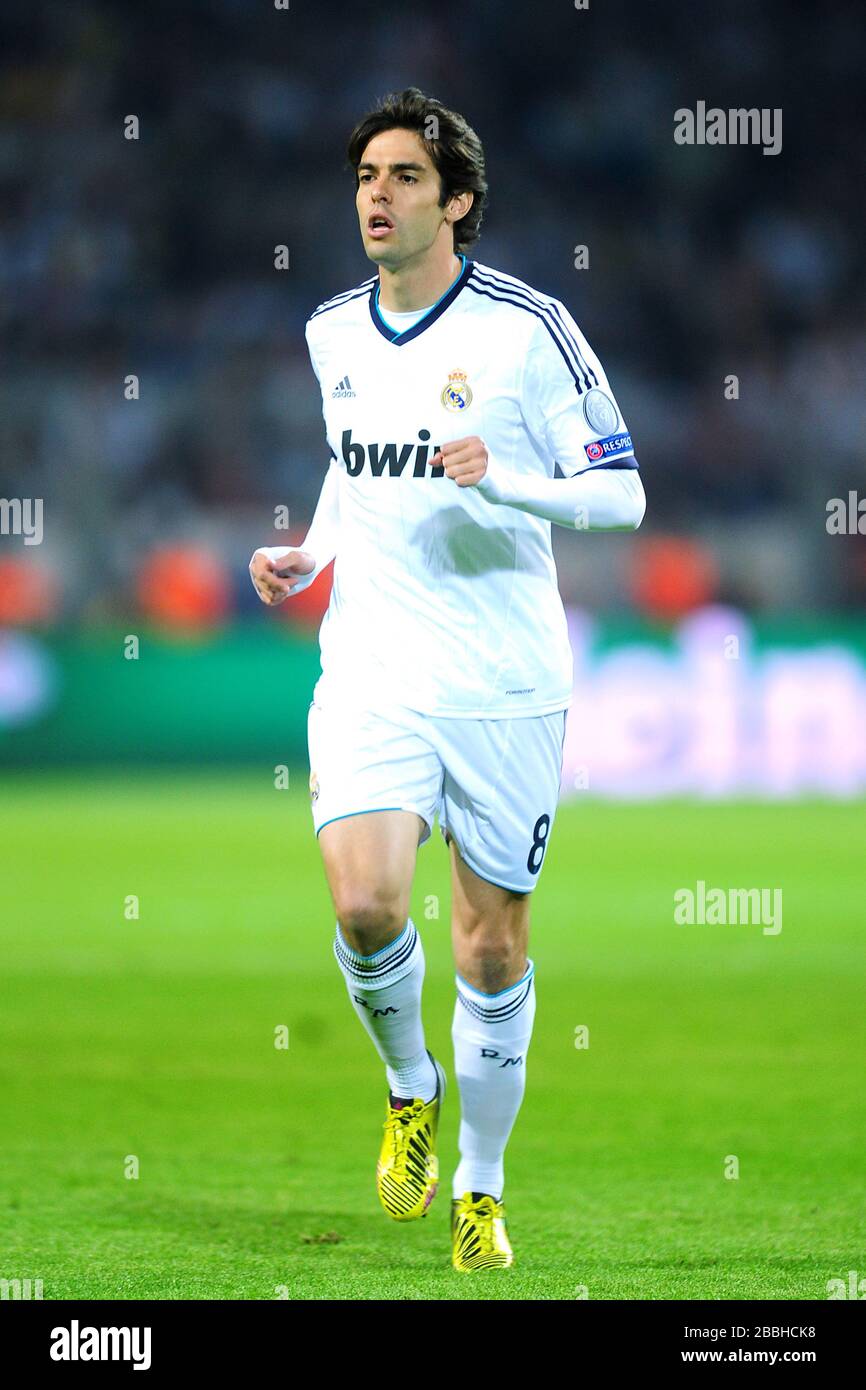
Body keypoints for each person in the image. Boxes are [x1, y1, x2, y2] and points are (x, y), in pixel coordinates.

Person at [249, 87, 645, 1272]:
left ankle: (481, 1184)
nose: (377, 193)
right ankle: (407, 1085)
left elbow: (622, 495)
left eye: (405, 177)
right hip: (373, 664)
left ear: (457, 202)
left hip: (504, 680)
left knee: (487, 949)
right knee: (366, 903)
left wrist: (507, 482)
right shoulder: (329, 330)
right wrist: (310, 553)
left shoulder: (529, 328)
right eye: (365, 175)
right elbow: (346, 463)